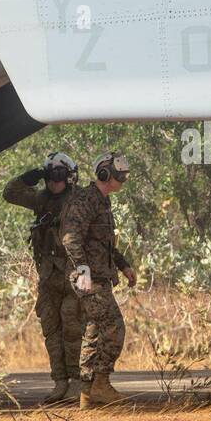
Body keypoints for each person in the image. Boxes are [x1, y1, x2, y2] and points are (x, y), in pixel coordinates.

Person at [3, 151, 83, 404]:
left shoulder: (79, 202)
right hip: (49, 277)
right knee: (51, 328)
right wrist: (32, 176)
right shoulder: (41, 200)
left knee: (73, 328)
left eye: (59, 175)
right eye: (49, 175)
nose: (54, 181)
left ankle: (77, 382)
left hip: (73, 275)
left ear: (70, 177)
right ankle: (60, 382)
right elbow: (10, 193)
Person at [60, 151, 137, 408]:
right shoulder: (85, 200)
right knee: (114, 328)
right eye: (120, 174)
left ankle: (86, 393)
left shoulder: (103, 202)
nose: (123, 179)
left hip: (100, 277)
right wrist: (83, 271)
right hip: (88, 279)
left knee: (94, 331)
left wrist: (123, 265)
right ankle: (101, 384)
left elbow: (104, 244)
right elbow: (70, 238)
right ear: (105, 174)